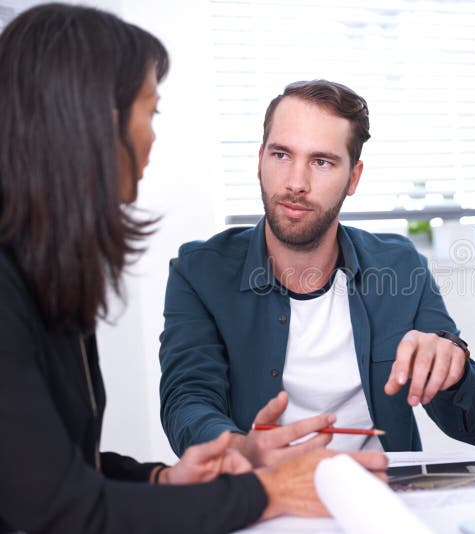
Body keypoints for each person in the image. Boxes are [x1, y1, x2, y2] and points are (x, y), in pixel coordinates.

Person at [0, 5, 386, 533]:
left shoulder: (45, 270)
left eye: (321, 161)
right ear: (95, 123)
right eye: (150, 112)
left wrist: (162, 479)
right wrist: (264, 491)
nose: (152, 137)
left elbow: (52, 471)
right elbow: (58, 508)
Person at [159, 80, 475, 465]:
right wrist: (239, 451)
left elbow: (473, 426)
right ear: (260, 160)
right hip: (262, 491)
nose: (296, 183)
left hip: (381, 492)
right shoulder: (198, 272)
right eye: (281, 155)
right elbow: (187, 401)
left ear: (353, 178)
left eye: (321, 162)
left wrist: (451, 368)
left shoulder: (401, 267)